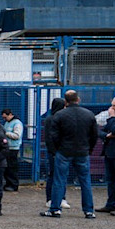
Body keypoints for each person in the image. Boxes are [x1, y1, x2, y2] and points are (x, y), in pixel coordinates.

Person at [43, 90, 99, 219]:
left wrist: (57, 149)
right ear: (78, 99)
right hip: (82, 151)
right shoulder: (89, 114)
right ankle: (89, 211)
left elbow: (54, 135)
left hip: (64, 151)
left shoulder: (59, 115)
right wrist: (89, 149)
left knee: (59, 180)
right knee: (85, 181)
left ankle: (55, 209)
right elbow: (94, 135)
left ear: (66, 101)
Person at [42, 97, 70, 211]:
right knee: (54, 175)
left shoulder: (53, 118)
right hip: (56, 151)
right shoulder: (52, 119)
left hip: (58, 151)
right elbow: (49, 138)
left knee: (59, 175)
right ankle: (51, 199)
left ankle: (59, 198)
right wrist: (53, 151)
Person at [1, 108, 23, 192]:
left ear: (10, 115)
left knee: (12, 167)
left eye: (5, 117)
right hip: (7, 147)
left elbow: (17, 135)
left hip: (14, 148)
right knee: (7, 167)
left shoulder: (17, 123)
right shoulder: (7, 123)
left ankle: (13, 184)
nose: (4, 119)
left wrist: (6, 133)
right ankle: (8, 183)